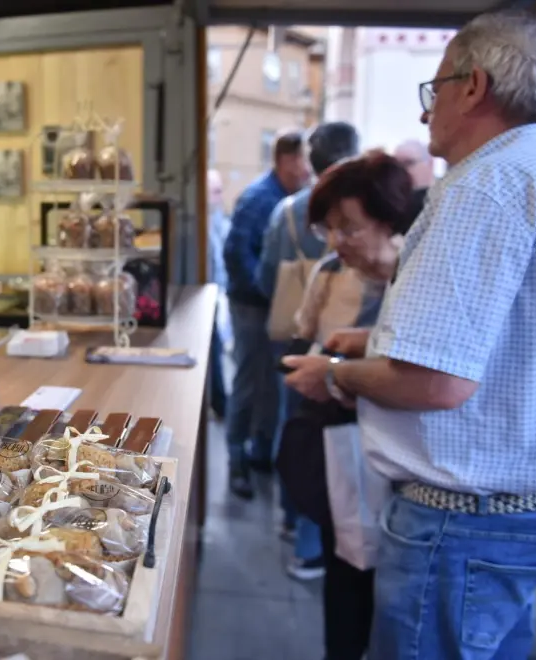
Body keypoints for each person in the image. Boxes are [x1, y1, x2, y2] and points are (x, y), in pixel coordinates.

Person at [283, 12, 536, 659]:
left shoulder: (486, 183)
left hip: (462, 518)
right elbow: (508, 338)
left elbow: (435, 380)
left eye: (434, 90)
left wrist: (331, 375)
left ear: (474, 86)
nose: (424, 112)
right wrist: (377, 343)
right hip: (528, 506)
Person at [290, 152, 422, 660]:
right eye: (330, 228)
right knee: (347, 573)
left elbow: (421, 377)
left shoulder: (418, 276)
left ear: (389, 219)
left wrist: (334, 374)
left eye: (348, 227)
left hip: (391, 474)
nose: (335, 242)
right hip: (358, 457)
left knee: (367, 591)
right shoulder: (387, 277)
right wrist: (366, 341)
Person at [258, 121, 360, 579]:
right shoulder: (363, 205)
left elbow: (265, 273)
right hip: (341, 347)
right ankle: (309, 540)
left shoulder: (286, 210)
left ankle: (288, 514)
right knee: (325, 444)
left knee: (292, 424)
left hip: (295, 336)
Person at [223, 130, 309, 499]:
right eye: (304, 159)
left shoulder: (284, 196)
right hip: (252, 306)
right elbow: (235, 253)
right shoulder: (261, 198)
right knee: (247, 382)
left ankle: (259, 452)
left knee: (270, 386)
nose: (308, 168)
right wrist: (269, 291)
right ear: (287, 161)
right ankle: (236, 458)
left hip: (270, 304)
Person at [207, 169, 230, 419]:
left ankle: (220, 400)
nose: (219, 196)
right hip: (208, 293)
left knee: (219, 346)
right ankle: (220, 401)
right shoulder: (203, 223)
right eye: (215, 191)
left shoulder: (217, 219)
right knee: (215, 347)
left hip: (217, 292)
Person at [393, 138, 434, 209]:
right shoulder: (392, 203)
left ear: (430, 163)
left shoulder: (445, 196)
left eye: (408, 163)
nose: (402, 170)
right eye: (397, 166)